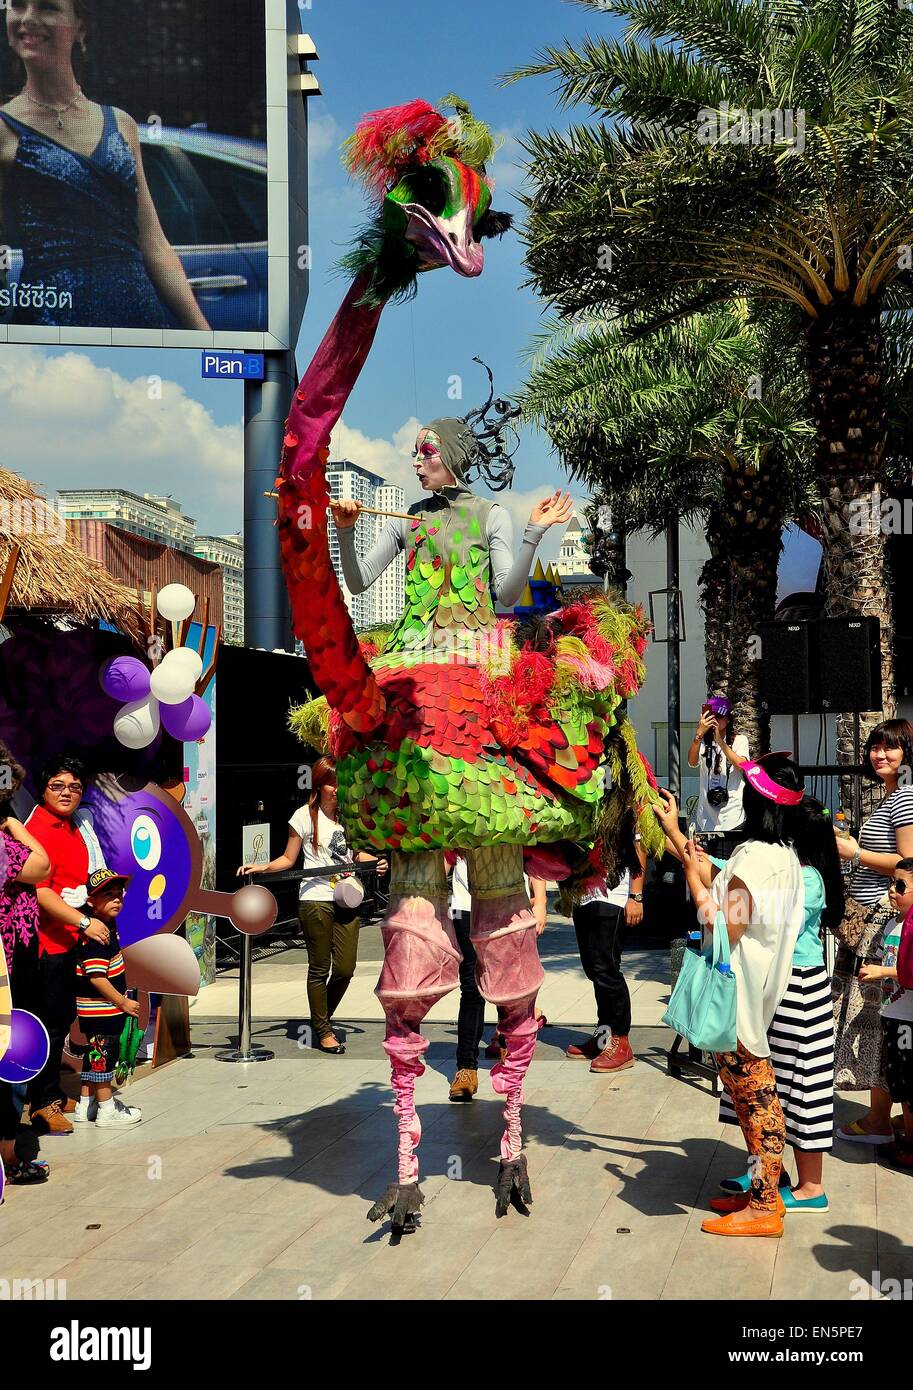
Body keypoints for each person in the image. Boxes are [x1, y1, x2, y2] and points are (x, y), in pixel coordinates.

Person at [657, 756, 807, 1238]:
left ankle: (764, 1205)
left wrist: (698, 887)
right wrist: (676, 834)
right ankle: (760, 1194)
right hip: (754, 992)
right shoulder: (782, 854)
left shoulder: (755, 859)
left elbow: (724, 926)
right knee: (749, 1099)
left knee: (757, 1099)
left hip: (737, 998)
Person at [0, 0, 209, 330]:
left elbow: (154, 244)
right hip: (52, 327)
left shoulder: (121, 123)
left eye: (46, 7)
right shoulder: (3, 128)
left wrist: (204, 338)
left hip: (137, 317)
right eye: (18, 5)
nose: (28, 18)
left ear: (80, 28)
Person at [713, 790, 843, 1212]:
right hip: (777, 986)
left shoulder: (804, 878)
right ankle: (766, 1171)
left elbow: (755, 905)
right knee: (767, 1085)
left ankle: (810, 1187)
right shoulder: (788, 869)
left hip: (801, 988)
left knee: (801, 1087)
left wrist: (707, 887)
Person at [238, 757, 387, 1054]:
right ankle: (322, 1029)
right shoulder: (303, 816)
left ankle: (321, 1018)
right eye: (332, 782)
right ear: (318, 786)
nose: (337, 788)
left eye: (340, 783)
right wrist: (263, 868)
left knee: (345, 968)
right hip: (315, 898)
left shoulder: (351, 817)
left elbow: (356, 855)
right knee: (319, 968)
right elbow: (288, 859)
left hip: (348, 897)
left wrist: (377, 863)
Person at [832, 719, 913, 1143]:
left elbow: (908, 865)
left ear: (906, 754)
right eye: (876, 747)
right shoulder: (889, 796)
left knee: (878, 1014)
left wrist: (855, 852)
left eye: (891, 748)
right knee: (875, 1015)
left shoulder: (905, 799)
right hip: (867, 917)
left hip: (880, 921)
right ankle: (890, 1114)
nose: (880, 754)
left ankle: (880, 1118)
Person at [24, 755, 109, 1135]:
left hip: (69, 942)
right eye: (57, 785)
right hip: (45, 944)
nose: (67, 793)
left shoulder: (73, 827)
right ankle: (42, 1104)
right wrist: (84, 921)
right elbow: (40, 894)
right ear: (43, 790)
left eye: (74, 787)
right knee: (47, 1025)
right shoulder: (37, 829)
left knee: (60, 1021)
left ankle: (50, 1091)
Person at [0, 743, 50, 1184]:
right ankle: (9, 1156)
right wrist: (16, 823)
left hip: (16, 960)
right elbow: (42, 865)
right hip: (5, 968)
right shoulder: (3, 842)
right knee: (9, 1056)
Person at [565, 821, 647, 1074]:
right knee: (593, 969)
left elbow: (640, 843)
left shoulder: (622, 796)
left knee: (606, 969)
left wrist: (636, 895)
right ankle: (603, 1037)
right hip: (584, 893)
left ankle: (621, 1042)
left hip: (613, 894)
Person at [72, 870, 141, 1127]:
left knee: (95, 1055)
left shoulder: (107, 926)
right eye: (107, 895)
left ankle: (85, 1104)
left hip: (100, 1011)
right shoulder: (97, 935)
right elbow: (96, 977)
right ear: (91, 901)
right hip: (102, 1011)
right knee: (104, 1058)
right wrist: (122, 1002)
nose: (116, 900)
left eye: (118, 895)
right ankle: (106, 1109)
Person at [859, 859, 913, 1169]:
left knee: (908, 1084)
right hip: (892, 1014)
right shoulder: (893, 923)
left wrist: (882, 971)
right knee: (899, 1079)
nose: (892, 890)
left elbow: (908, 970)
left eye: (901, 886)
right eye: (891, 883)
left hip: (908, 1019)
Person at [686, 694, 750, 857]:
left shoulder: (739, 740)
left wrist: (720, 742)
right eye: (711, 716)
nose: (714, 720)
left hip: (732, 819)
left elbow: (742, 766)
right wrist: (698, 736)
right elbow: (692, 762)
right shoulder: (702, 741)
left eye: (719, 717)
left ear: (728, 720)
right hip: (706, 819)